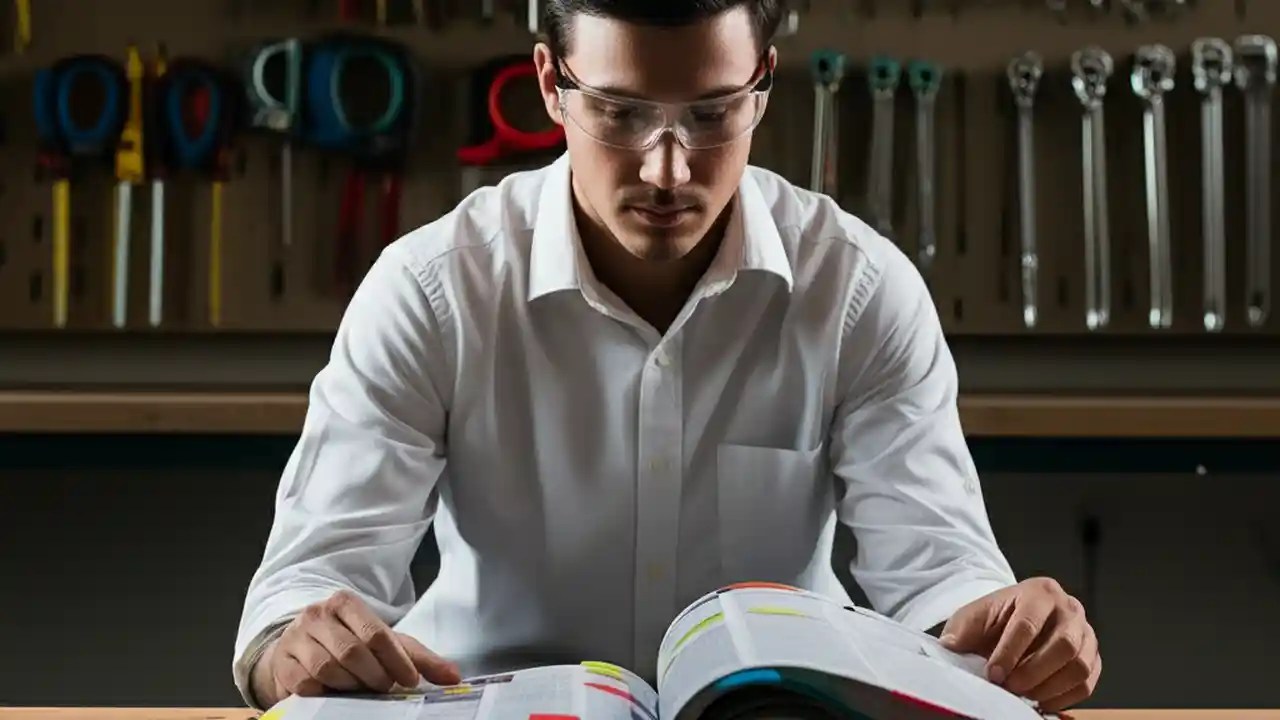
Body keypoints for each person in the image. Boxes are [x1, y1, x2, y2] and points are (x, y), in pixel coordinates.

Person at [233, 0, 1101, 714]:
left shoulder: (859, 292)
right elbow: (305, 592)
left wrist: (1009, 633)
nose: (668, 169)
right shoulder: (431, 291)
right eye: (620, 113)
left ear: (762, 87)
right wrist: (295, 652)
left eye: (712, 113)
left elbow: (940, 574)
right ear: (550, 85)